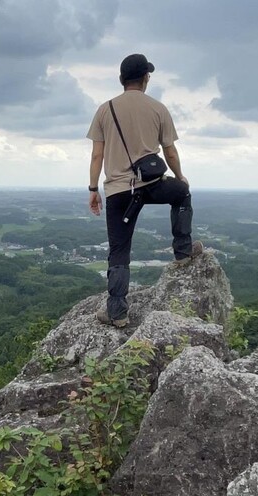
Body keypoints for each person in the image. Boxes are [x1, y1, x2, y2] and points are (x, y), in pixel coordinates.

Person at [86, 53, 202, 327]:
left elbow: (96, 155)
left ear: (121, 79)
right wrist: (180, 177)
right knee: (182, 193)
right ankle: (183, 251)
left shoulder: (105, 109)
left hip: (117, 191)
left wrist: (93, 188)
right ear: (146, 78)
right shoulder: (158, 108)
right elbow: (170, 152)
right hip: (151, 185)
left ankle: (116, 313)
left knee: (119, 250)